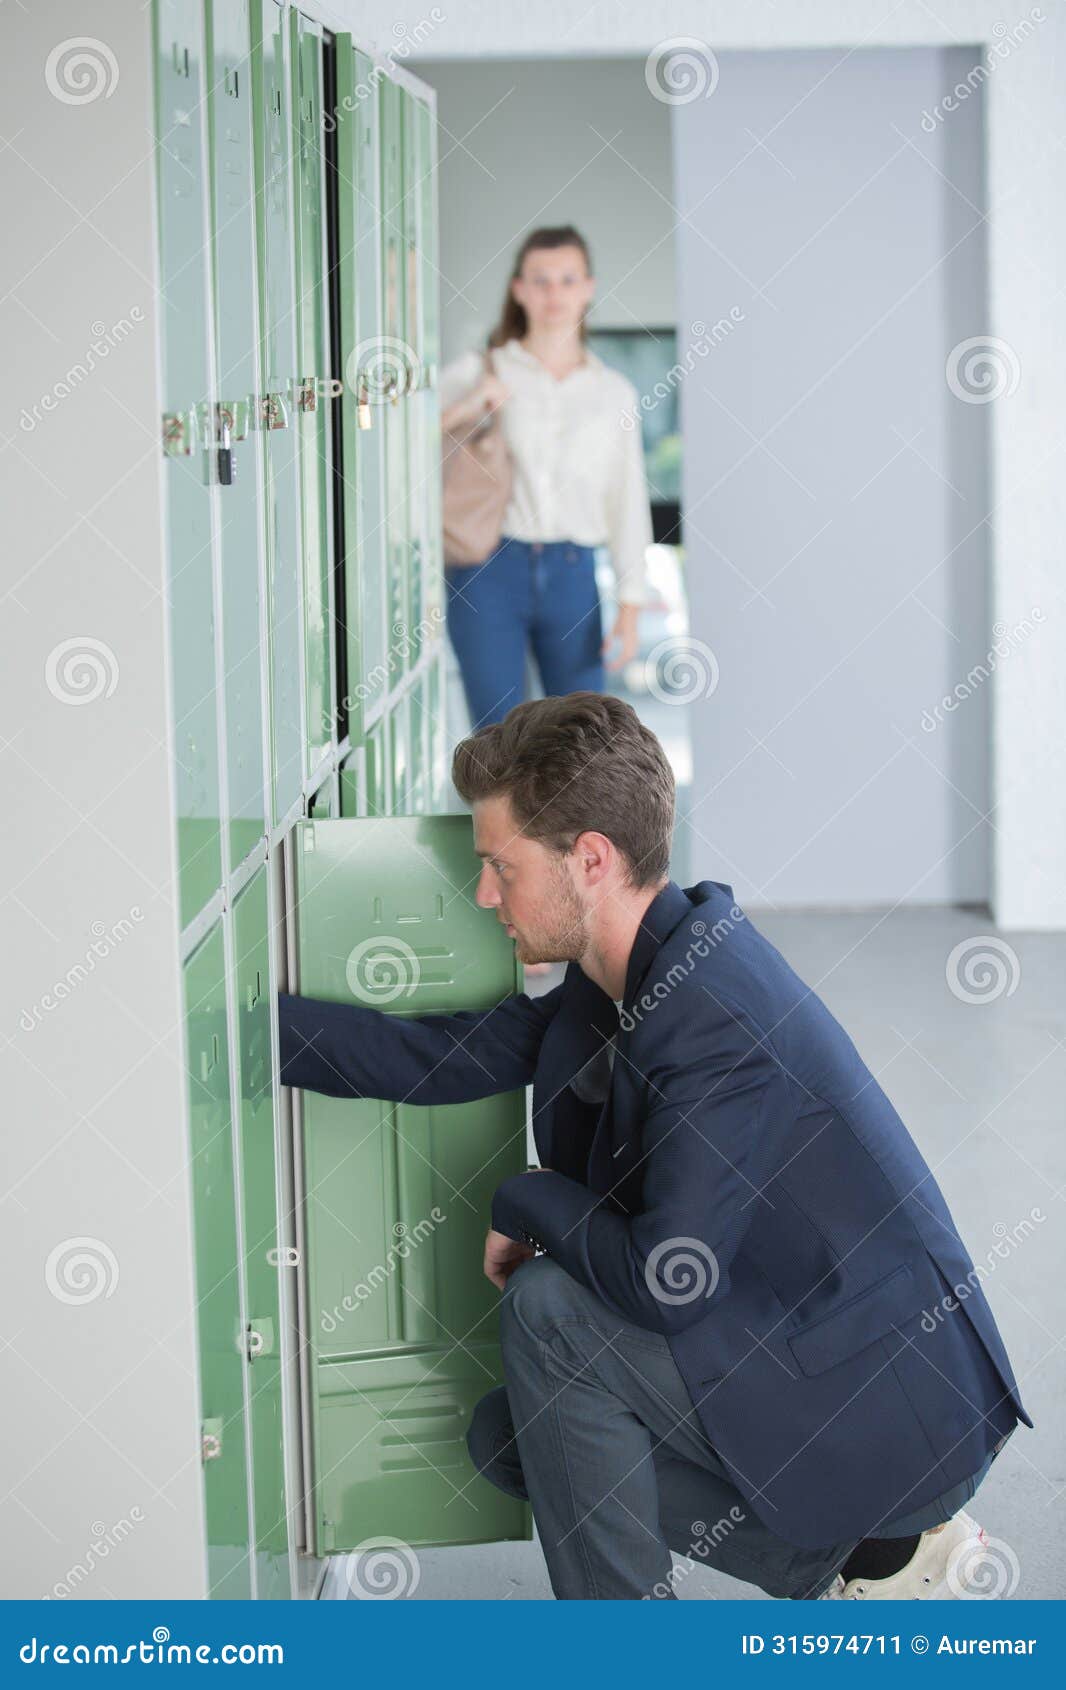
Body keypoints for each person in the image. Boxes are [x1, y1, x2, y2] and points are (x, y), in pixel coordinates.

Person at [277, 692, 1031, 1601]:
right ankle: (883, 1568)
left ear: (588, 858)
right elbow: (446, 1054)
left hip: (890, 1399)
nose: (483, 894)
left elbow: (665, 1282)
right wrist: (235, 1021)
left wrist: (525, 1203)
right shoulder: (640, 968)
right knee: (524, 1440)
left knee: (551, 1321)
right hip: (809, 1335)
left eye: (499, 867)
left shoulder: (710, 1015)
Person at [438, 226, 653, 728]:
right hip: (488, 571)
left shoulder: (613, 392)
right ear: (519, 290)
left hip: (574, 575)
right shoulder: (482, 369)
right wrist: (471, 405)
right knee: (498, 738)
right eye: (540, 280)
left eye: (567, 280)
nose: (554, 294)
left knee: (584, 741)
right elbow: (398, 432)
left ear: (588, 287)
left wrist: (631, 602)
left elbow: (627, 498)